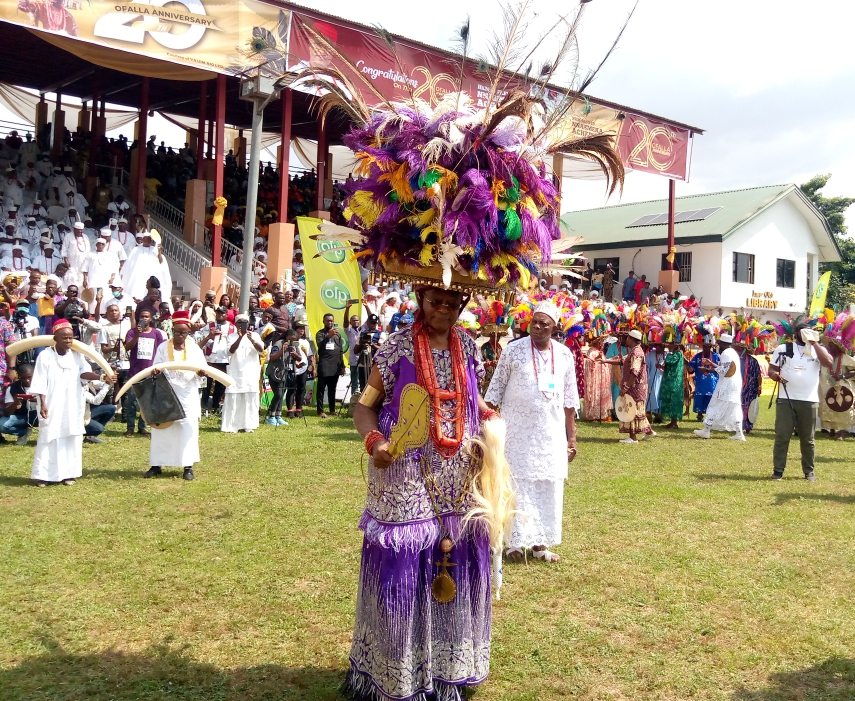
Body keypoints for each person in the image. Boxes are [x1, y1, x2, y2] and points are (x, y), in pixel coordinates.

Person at [349, 285, 494, 700]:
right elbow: (365, 407)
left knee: (458, 557)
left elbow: (474, 402)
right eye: (435, 302)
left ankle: (449, 673)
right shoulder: (396, 348)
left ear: (461, 305)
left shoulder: (469, 347)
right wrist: (375, 442)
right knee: (404, 561)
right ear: (421, 301)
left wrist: (491, 420)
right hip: (405, 468)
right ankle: (397, 673)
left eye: (452, 303)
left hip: (461, 473)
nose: (443, 309)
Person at [484, 301, 578, 562]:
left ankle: (540, 545)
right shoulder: (513, 351)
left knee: (547, 487)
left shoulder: (565, 355)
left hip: (551, 435)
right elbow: (494, 393)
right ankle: (513, 544)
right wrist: (488, 429)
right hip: (516, 435)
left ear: (554, 328)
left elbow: (570, 401)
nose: (536, 327)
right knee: (516, 486)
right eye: (534, 322)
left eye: (543, 324)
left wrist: (571, 438)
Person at [29, 321, 113, 486]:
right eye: (64, 338)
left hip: (72, 403)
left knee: (71, 435)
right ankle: (45, 475)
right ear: (55, 338)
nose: (68, 341)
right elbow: (40, 382)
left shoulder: (77, 355)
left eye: (70, 337)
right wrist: (43, 404)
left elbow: (84, 373)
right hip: (52, 403)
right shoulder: (45, 356)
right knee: (49, 436)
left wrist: (102, 377)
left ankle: (69, 474)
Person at [145, 310, 207, 481]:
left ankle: (188, 466)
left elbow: (202, 369)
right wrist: (156, 371)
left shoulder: (194, 348)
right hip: (167, 392)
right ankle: (156, 465)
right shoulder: (163, 347)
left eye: (184, 333)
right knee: (162, 429)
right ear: (172, 330)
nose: (180, 336)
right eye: (177, 332)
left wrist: (200, 373)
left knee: (187, 428)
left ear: (188, 332)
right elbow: (156, 367)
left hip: (187, 393)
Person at [769, 324, 833, 480]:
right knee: (782, 436)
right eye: (803, 332)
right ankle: (778, 471)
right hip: (786, 398)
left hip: (809, 400)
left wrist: (814, 343)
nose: (805, 335)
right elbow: (772, 369)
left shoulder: (817, 350)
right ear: (796, 333)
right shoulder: (783, 348)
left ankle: (809, 472)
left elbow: (829, 363)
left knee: (808, 439)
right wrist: (775, 375)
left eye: (809, 332)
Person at [599, 329, 654, 443]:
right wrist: (606, 361)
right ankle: (649, 432)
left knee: (631, 410)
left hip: (635, 387)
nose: (626, 340)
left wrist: (626, 387)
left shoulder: (636, 353)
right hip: (635, 386)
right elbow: (622, 361)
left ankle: (633, 438)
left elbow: (634, 371)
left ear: (632, 339)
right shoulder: (635, 351)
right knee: (637, 410)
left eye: (628, 338)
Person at [122, 308, 166, 436]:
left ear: (150, 319)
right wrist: (137, 335)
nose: (144, 318)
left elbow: (161, 350)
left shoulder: (156, 333)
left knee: (146, 402)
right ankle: (130, 427)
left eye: (146, 316)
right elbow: (127, 347)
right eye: (142, 316)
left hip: (150, 373)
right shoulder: (131, 332)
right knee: (131, 401)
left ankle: (142, 427)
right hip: (134, 373)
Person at [693, 334, 746, 441]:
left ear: (722, 343)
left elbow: (724, 371)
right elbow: (726, 368)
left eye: (719, 343)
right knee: (735, 408)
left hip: (726, 384)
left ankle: (706, 430)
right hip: (734, 385)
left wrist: (707, 370)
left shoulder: (726, 353)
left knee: (714, 405)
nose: (718, 346)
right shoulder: (733, 352)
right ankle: (739, 433)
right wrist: (711, 364)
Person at [221, 313, 263, 433]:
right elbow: (230, 351)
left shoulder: (255, 335)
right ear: (235, 324)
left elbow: (261, 350)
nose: (242, 324)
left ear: (248, 324)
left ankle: (249, 425)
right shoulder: (231, 336)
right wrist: (240, 337)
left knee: (249, 397)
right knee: (234, 396)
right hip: (236, 371)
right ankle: (232, 426)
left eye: (245, 322)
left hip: (251, 371)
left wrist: (251, 339)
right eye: (240, 322)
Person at [200, 306, 234, 413]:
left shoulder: (232, 327)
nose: (220, 315)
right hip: (210, 359)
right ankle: (204, 405)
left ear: (226, 314)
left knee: (220, 384)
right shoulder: (210, 325)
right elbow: (203, 338)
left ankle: (216, 405)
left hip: (224, 359)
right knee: (207, 384)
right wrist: (211, 339)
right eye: (218, 313)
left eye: (222, 313)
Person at [314, 312, 345, 418]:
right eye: (328, 321)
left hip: (335, 366)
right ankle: (320, 411)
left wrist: (342, 366)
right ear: (323, 321)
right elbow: (320, 345)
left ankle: (332, 410)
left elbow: (340, 351)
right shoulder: (320, 333)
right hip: (324, 365)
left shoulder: (338, 335)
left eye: (331, 321)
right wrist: (328, 336)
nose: (330, 322)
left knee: (332, 389)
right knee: (321, 390)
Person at [0, 362, 37, 445]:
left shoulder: (44, 385)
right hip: (22, 417)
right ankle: (23, 433)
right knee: (1, 424)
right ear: (18, 376)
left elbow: (55, 404)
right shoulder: (12, 388)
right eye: (23, 378)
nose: (27, 380)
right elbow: (7, 413)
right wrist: (15, 403)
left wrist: (39, 401)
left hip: (41, 416)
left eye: (29, 377)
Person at [688, 337, 720, 420]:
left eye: (708, 347)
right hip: (700, 382)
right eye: (704, 346)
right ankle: (699, 415)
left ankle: (711, 416)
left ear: (711, 347)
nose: (706, 348)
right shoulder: (697, 356)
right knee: (700, 397)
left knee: (711, 398)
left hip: (712, 382)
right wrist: (690, 369)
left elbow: (720, 368)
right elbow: (691, 366)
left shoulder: (716, 356)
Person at [735, 341, 763, 434]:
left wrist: (759, 387)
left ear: (745, 350)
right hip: (737, 388)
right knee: (737, 407)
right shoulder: (735, 360)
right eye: (737, 350)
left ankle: (748, 427)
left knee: (749, 408)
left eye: (740, 350)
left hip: (750, 388)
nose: (738, 351)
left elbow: (758, 375)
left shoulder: (753, 361)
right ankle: (737, 426)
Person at [583, 335, 612, 421]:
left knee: (601, 396)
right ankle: (593, 415)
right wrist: (596, 358)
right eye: (601, 342)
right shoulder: (591, 351)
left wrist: (611, 359)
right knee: (595, 396)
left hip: (602, 380)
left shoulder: (600, 351)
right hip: (595, 379)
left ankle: (602, 415)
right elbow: (589, 363)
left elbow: (604, 363)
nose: (602, 344)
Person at [660, 341, 686, 429]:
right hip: (671, 381)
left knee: (674, 402)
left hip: (674, 383)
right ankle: (672, 422)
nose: (668, 346)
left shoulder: (677, 354)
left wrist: (669, 352)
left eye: (670, 344)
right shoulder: (676, 354)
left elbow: (669, 361)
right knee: (670, 401)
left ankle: (674, 423)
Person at [645, 341, 665, 421]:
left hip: (663, 380)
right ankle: (648, 413)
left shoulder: (667, 355)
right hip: (652, 379)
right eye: (657, 346)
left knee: (660, 396)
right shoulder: (650, 355)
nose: (658, 348)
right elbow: (646, 367)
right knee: (652, 395)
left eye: (660, 346)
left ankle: (658, 415)